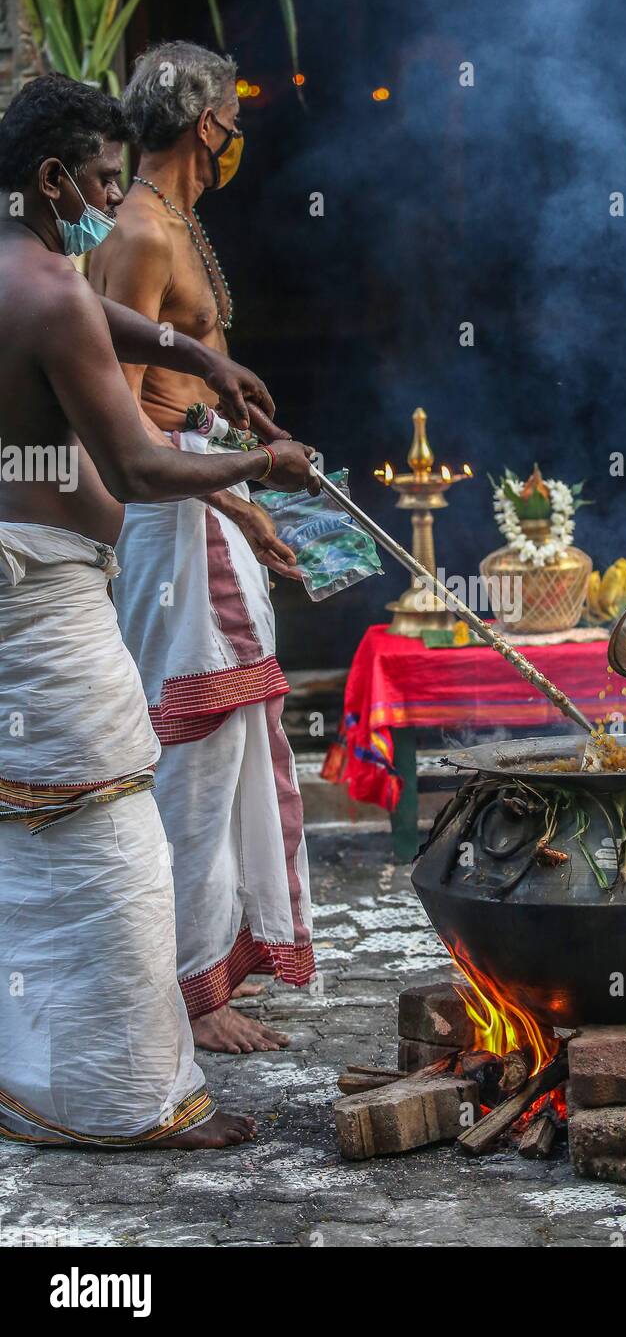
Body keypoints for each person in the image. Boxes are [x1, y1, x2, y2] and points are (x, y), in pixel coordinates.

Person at [0, 73, 318, 1147]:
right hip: (43, 603)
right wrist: (257, 464)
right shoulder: (44, 289)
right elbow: (134, 465)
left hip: (39, 589)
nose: (105, 199)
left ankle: (32, 1078)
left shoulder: (26, 270)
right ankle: (128, 1101)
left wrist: (196, 355)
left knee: (36, 841)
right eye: (94, 179)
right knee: (114, 843)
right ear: (52, 179)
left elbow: (101, 315)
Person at [89, 42, 315, 1055]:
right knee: (194, 749)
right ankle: (186, 988)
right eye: (229, 112)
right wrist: (237, 483)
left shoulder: (179, 221)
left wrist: (254, 514)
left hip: (202, 512)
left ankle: (213, 958)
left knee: (229, 746)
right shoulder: (139, 230)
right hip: (170, 526)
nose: (237, 130)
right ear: (197, 123)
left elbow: (183, 398)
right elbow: (125, 419)